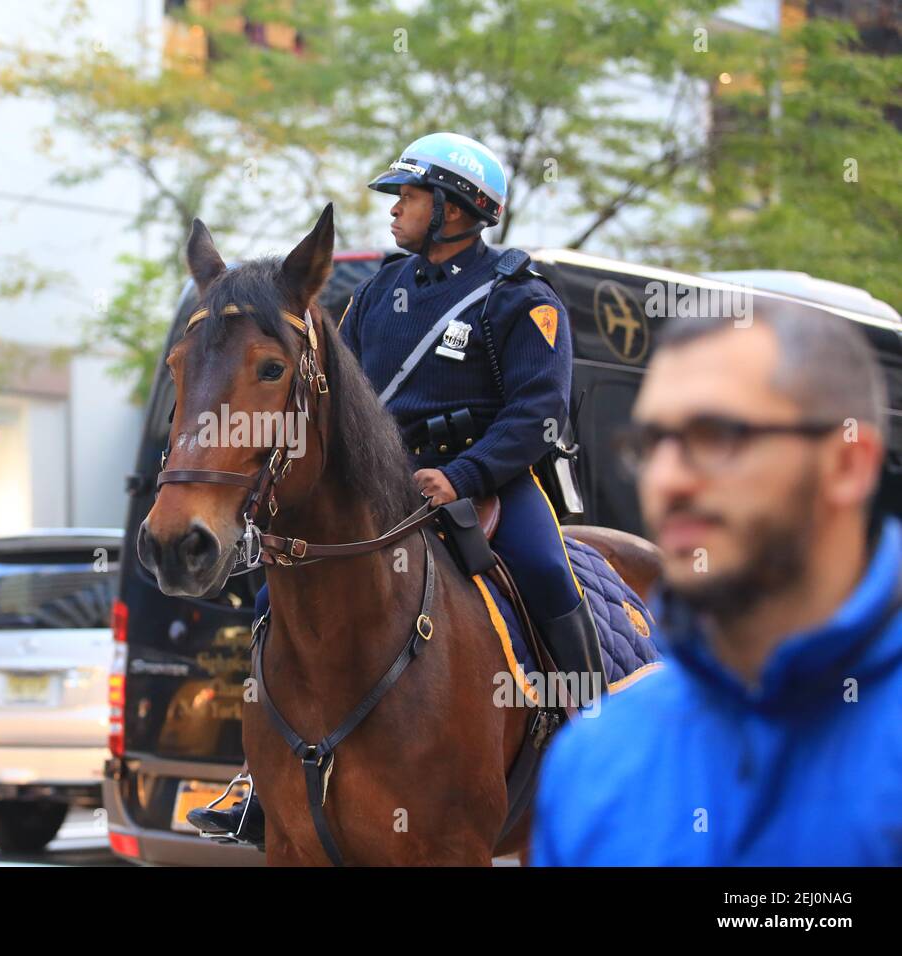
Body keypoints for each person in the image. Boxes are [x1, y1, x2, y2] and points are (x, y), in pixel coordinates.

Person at [191, 131, 603, 841]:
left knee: (545, 574)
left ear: (455, 208)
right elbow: (337, 399)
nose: (395, 209)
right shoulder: (378, 291)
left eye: (409, 196)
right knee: (271, 598)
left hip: (485, 481)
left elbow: (539, 416)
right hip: (383, 486)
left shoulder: (519, 296)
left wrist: (463, 474)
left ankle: (595, 745)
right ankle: (263, 785)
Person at [532, 307, 902, 865]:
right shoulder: (592, 758)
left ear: (848, 464)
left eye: (717, 435)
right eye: (652, 443)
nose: (668, 480)